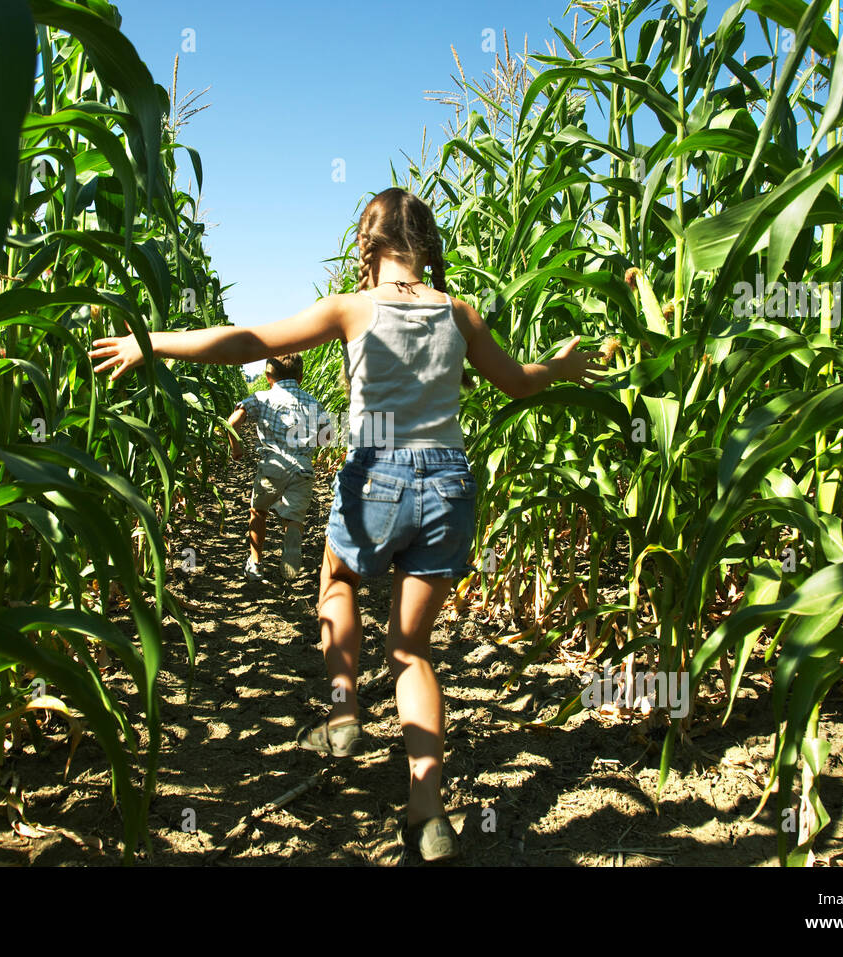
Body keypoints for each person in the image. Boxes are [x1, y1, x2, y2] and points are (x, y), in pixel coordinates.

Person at [89, 187, 604, 862]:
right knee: (412, 649)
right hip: (449, 485)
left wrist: (152, 342)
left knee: (336, 582)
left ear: (368, 243)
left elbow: (249, 340)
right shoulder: (460, 314)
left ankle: (342, 714)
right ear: (426, 241)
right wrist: (563, 365)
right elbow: (522, 382)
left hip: (379, 476)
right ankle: (428, 812)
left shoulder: (353, 308)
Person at [226, 353, 332, 581]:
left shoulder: (261, 397)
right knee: (293, 518)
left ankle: (255, 563)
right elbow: (327, 437)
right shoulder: (313, 402)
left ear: (268, 376)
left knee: (258, 511)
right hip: (303, 468)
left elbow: (232, 422)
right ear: (301, 377)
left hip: (272, 466)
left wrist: (236, 448)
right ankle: (292, 543)